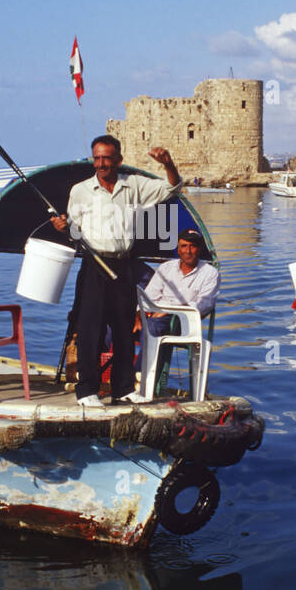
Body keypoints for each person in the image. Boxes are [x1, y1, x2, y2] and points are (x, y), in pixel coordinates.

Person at [51, 134, 181, 406]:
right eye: (97, 158)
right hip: (94, 264)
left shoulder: (133, 185)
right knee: (90, 329)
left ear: (119, 160)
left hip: (124, 263)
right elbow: (76, 232)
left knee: (123, 328)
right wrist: (64, 228)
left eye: (107, 158)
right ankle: (87, 391)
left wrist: (168, 164)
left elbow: (172, 188)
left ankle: (123, 388)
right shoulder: (81, 190)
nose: (101, 164)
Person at [137, 228, 220, 338]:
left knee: (152, 327)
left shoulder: (210, 273)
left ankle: (145, 355)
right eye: (184, 246)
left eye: (193, 246)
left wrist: (168, 311)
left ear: (199, 249)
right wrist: (138, 314)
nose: (188, 251)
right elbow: (149, 296)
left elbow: (204, 305)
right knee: (117, 324)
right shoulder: (166, 268)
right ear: (178, 250)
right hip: (156, 314)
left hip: (183, 320)